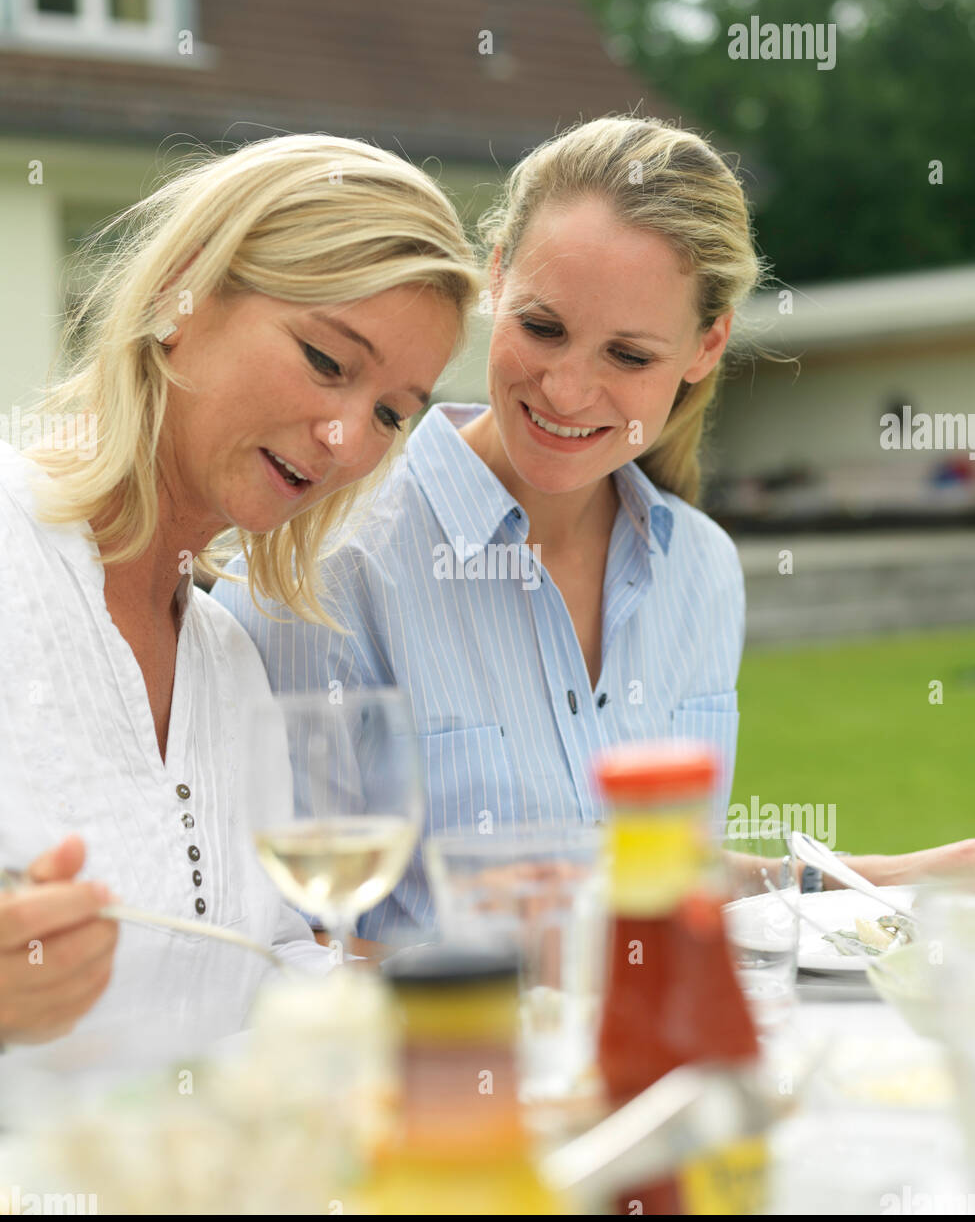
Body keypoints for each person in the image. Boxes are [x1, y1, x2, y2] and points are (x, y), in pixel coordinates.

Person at [214, 115, 975, 943]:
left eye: (629, 356)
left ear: (705, 345)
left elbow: (659, 875)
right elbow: (284, 936)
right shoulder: (322, 569)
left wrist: (888, 879)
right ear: (496, 276)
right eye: (543, 328)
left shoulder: (699, 569)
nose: (568, 392)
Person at [0, 132, 479, 1056]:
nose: (348, 439)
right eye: (327, 361)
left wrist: (501, 1007)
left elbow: (268, 966)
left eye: (390, 413)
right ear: (182, 296)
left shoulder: (226, 658)